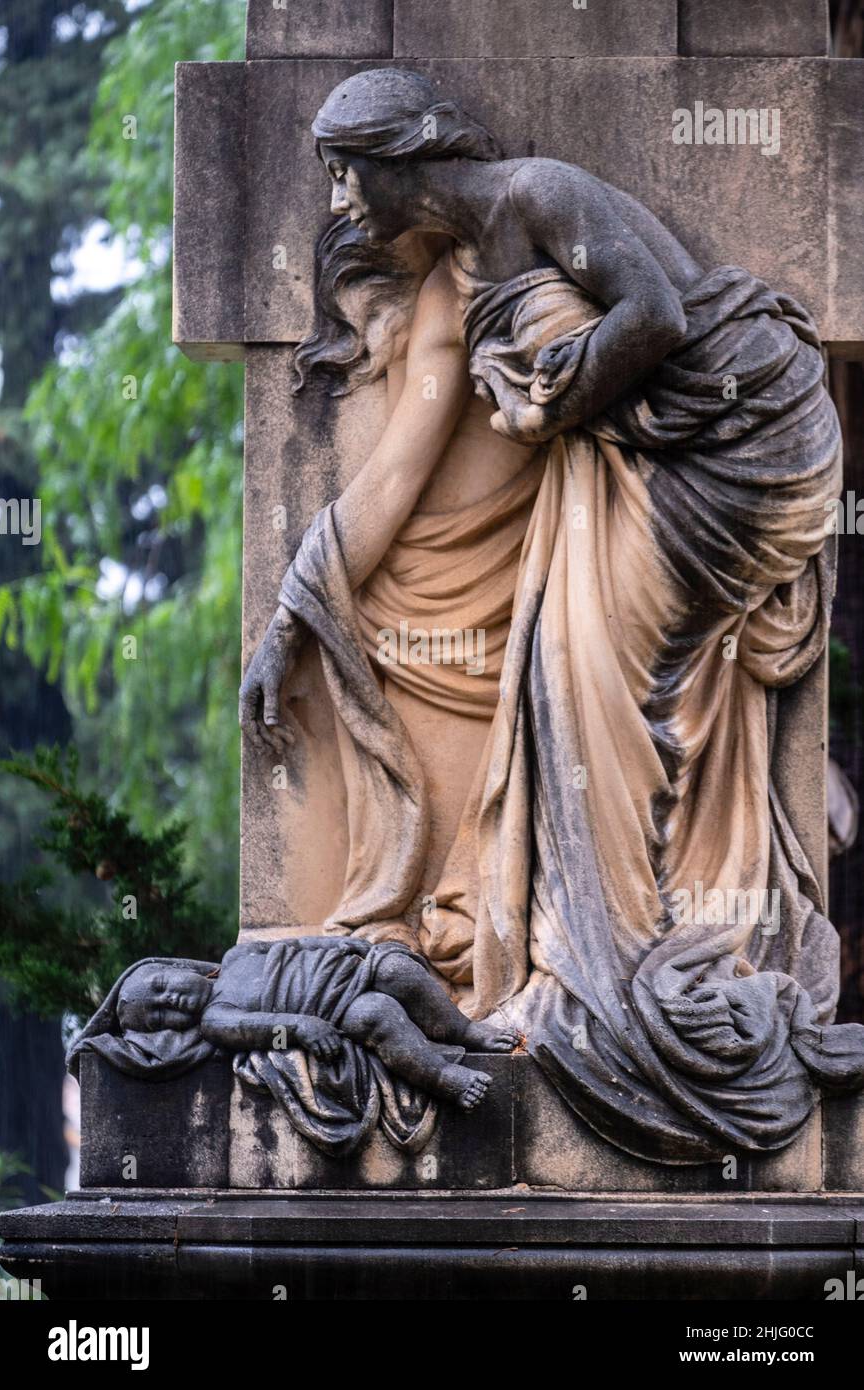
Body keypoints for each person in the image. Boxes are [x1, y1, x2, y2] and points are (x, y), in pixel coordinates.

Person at [239, 69, 864, 1162]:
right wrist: (294, 612)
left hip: (743, 439)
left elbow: (659, 313)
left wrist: (556, 398)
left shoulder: (537, 191)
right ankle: (609, 972)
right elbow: (388, 479)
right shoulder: (459, 275)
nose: (339, 202)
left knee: (582, 682)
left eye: (346, 172)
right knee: (569, 684)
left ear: (409, 154)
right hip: (660, 461)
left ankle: (609, 996)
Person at [69, 938, 518, 1156]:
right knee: (380, 1016)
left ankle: (463, 1030)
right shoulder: (216, 1020)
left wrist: (344, 943)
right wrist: (303, 1028)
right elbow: (264, 1027)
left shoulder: (233, 958)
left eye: (164, 987)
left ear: (176, 967)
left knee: (400, 969)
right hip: (337, 1011)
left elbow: (293, 945)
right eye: (161, 1015)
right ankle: (445, 1078)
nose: (171, 1001)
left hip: (346, 967)